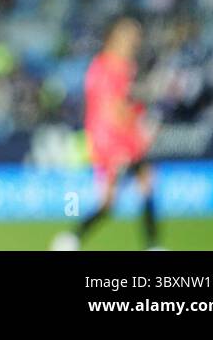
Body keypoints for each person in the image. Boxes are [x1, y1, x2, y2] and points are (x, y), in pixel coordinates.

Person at [52, 16, 160, 250]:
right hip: (112, 140)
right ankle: (72, 237)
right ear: (114, 37)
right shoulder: (108, 68)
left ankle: (152, 244)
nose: (135, 39)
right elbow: (114, 110)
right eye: (129, 34)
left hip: (122, 138)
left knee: (144, 185)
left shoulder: (122, 66)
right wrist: (143, 121)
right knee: (110, 200)